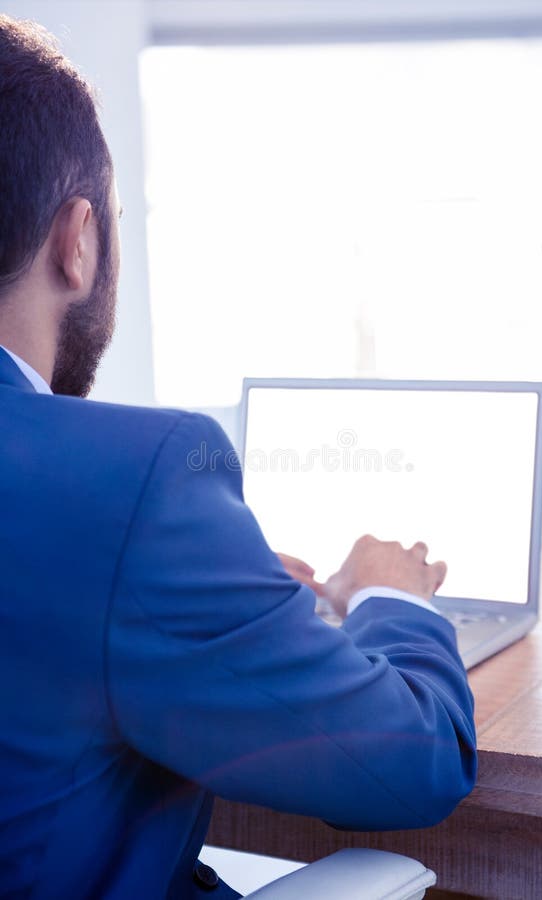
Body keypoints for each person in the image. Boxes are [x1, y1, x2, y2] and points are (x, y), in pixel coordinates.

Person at [0, 15, 477, 899]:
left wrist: (229, 608)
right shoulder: (134, 482)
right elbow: (416, 761)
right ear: (77, 240)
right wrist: (390, 598)